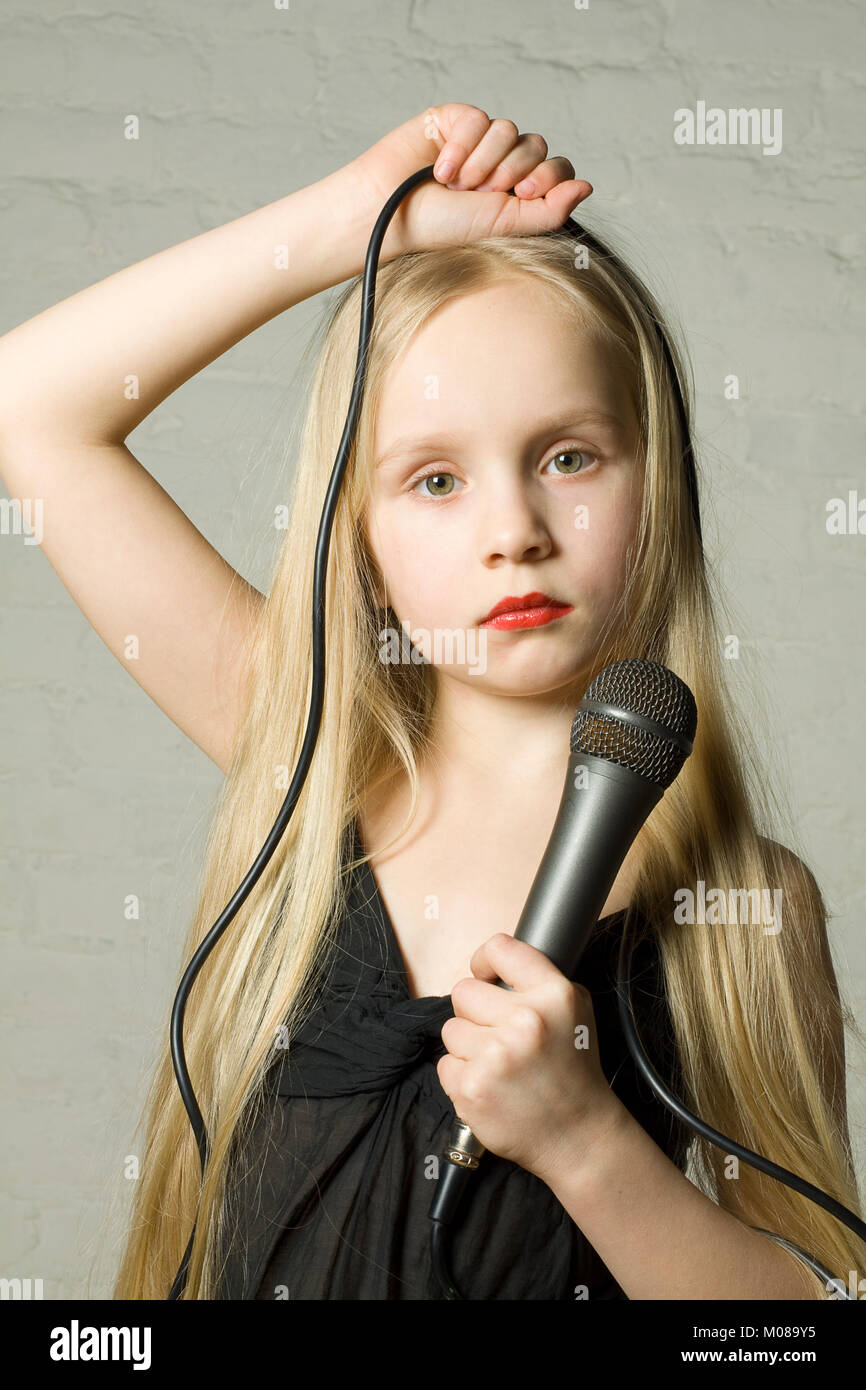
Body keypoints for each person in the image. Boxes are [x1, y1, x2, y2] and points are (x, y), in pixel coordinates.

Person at [1, 103, 862, 1301]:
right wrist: (348, 223)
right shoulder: (305, 769)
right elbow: (29, 407)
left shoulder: (740, 911)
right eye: (436, 479)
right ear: (358, 535)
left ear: (653, 482)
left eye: (568, 457)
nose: (512, 530)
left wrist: (584, 1141)